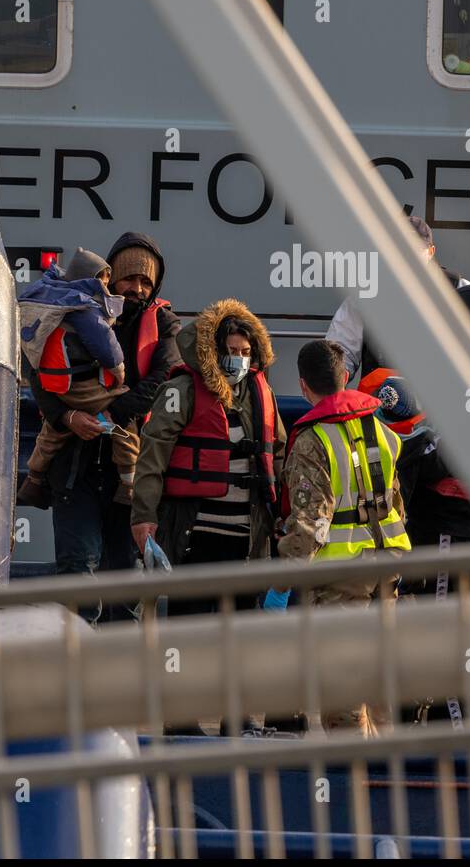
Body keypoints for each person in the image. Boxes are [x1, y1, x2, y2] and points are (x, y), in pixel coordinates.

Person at [25, 232, 180, 621]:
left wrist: (112, 416)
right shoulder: (75, 309)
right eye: (129, 278)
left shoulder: (165, 324)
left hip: (130, 476)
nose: (137, 288)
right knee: (77, 575)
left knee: (124, 584)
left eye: (146, 281)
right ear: (111, 278)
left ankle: (121, 674)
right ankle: (75, 672)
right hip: (74, 468)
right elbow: (38, 369)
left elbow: (163, 378)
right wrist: (67, 417)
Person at [276, 340, 411, 734]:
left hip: (342, 573)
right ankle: (388, 768)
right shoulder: (381, 431)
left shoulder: (312, 441)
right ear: (346, 377)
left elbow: (310, 523)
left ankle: (354, 772)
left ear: (304, 387)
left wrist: (283, 580)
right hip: (390, 564)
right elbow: (397, 506)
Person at [131, 298, 286, 618]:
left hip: (247, 541)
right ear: (215, 351)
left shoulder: (261, 393)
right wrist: (144, 515)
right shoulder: (182, 389)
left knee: (241, 637)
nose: (239, 359)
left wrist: (285, 513)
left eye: (245, 353)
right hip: (194, 537)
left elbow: (279, 453)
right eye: (232, 351)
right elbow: (153, 454)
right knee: (189, 631)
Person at [326, 213, 470, 395]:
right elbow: (339, 352)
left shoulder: (462, 291)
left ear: (431, 251)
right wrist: (331, 388)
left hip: (448, 412)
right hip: (383, 411)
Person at [17, 249, 133, 508]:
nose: (106, 286)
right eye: (103, 280)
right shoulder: (83, 305)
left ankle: (33, 479)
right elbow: (105, 345)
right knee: (126, 429)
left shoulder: (53, 298)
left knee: (51, 432)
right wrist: (119, 370)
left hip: (57, 386)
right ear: (92, 278)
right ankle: (129, 484)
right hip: (84, 387)